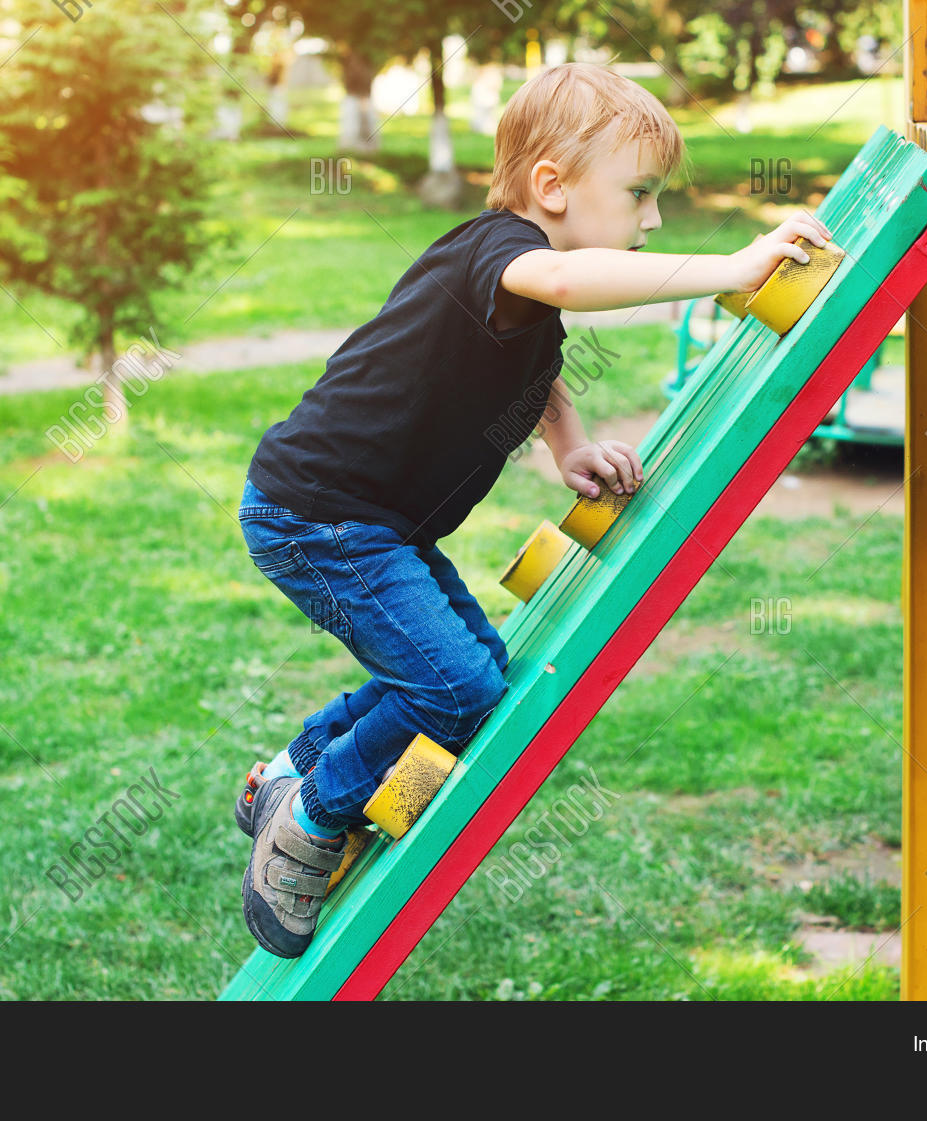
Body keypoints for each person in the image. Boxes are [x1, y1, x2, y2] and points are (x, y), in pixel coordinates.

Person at [235, 62, 831, 958]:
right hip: (319, 516)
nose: (653, 217)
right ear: (550, 186)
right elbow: (562, 281)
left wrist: (569, 445)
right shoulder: (501, 252)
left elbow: (535, 363)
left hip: (372, 522)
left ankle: (286, 770)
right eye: (639, 194)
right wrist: (729, 268)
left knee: (467, 666)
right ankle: (311, 816)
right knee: (456, 687)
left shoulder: (517, 285)